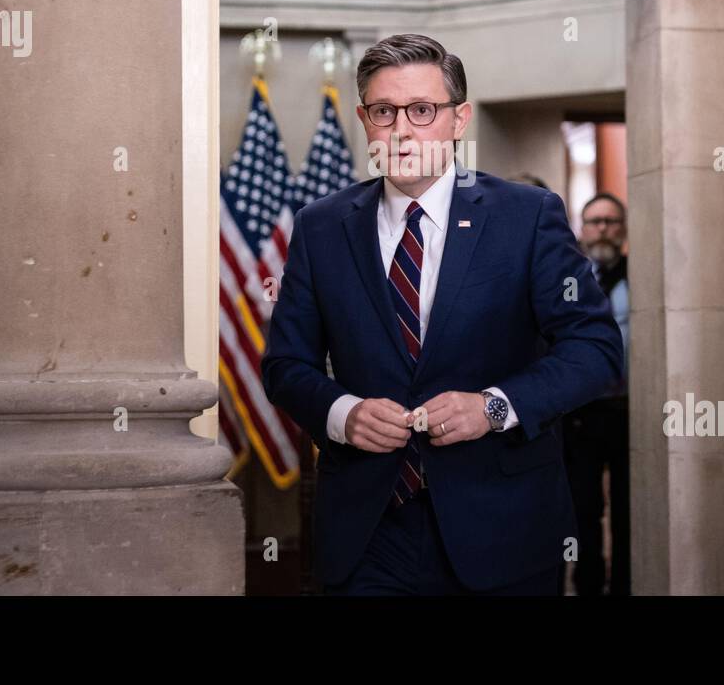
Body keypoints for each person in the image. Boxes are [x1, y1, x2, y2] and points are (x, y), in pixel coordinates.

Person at [260, 33, 624, 595]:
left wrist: (494, 406)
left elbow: (595, 349)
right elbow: (285, 364)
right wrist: (343, 412)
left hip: (503, 526)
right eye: (384, 112)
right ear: (364, 119)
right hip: (367, 530)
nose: (401, 129)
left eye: (422, 110)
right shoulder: (320, 226)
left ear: (459, 119)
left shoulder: (525, 217)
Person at [562, 192, 630, 595]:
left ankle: (623, 587)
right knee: (582, 508)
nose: (602, 228)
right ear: (581, 230)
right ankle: (586, 587)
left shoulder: (642, 273)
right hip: (580, 414)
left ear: (622, 228)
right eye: (594, 222)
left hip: (627, 411)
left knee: (627, 509)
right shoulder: (568, 277)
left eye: (610, 221)